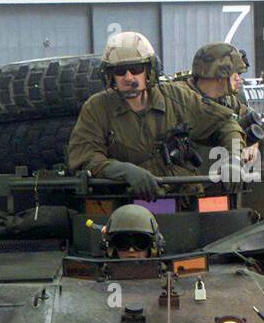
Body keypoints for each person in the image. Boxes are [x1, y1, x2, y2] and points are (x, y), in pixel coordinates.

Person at [67, 31, 243, 202]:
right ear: (110, 75)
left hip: (185, 199)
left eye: (136, 69)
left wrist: (233, 158)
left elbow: (226, 123)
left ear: (149, 70)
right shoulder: (97, 108)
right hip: (125, 205)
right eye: (120, 71)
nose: (128, 77)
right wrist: (124, 171)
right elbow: (86, 157)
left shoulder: (176, 97)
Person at [185, 42, 260, 163]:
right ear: (218, 73)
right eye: (234, 73)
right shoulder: (182, 99)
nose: (238, 79)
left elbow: (258, 121)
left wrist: (252, 143)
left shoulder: (227, 100)